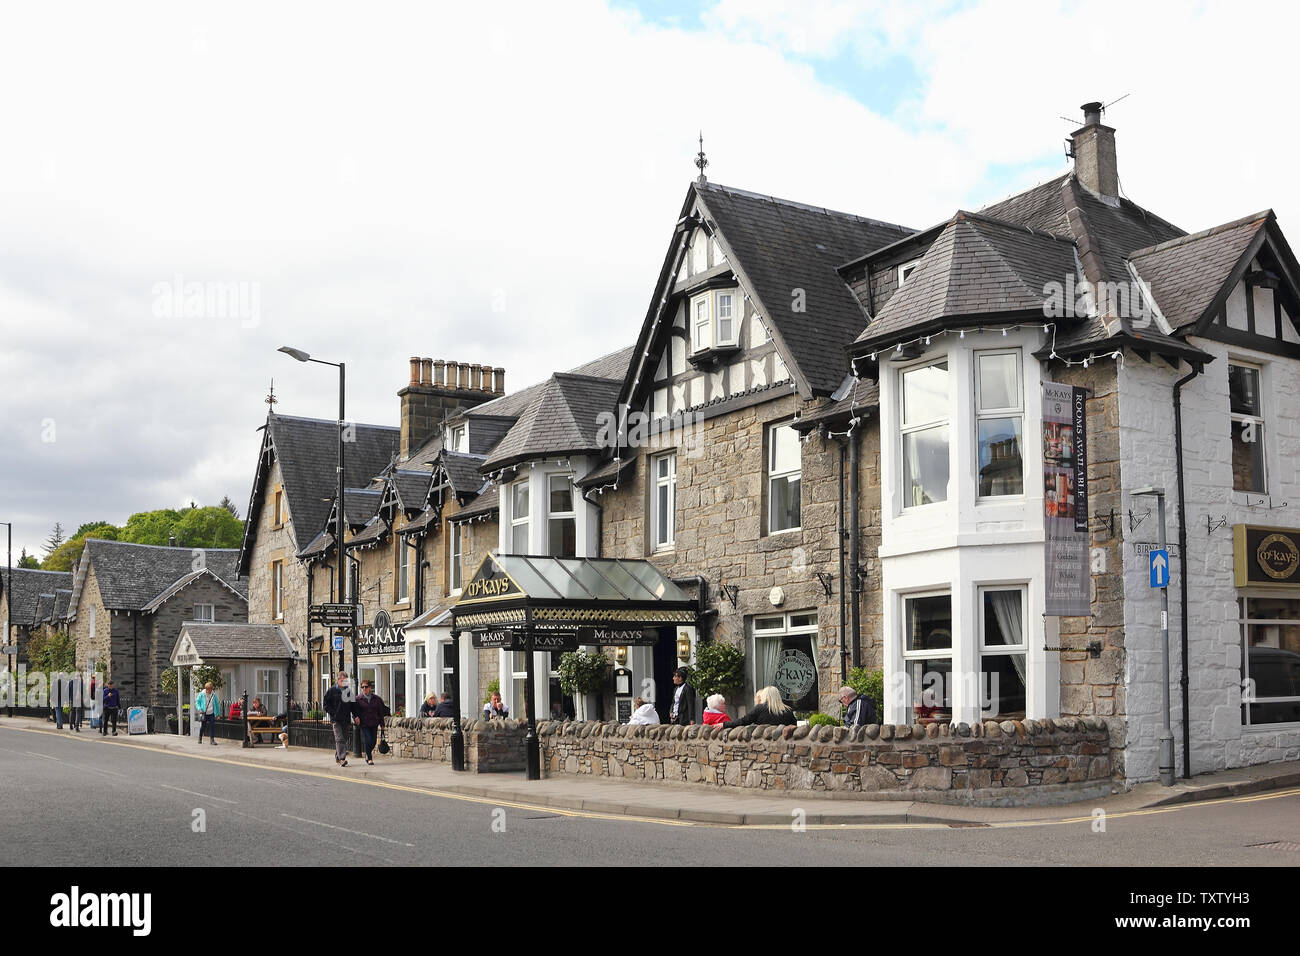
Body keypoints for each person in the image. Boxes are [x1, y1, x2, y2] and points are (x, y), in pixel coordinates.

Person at [721, 686, 796, 728]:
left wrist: (725, 724)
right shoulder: (788, 710)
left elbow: (744, 721)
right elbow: (794, 727)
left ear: (765, 695)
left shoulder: (760, 708)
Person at [352, 679, 388, 766]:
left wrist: (382, 724)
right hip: (364, 723)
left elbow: (380, 712)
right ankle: (369, 757)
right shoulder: (358, 699)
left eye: (366, 687)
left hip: (374, 723)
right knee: (368, 739)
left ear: (370, 688)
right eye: (362, 687)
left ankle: (367, 754)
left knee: (373, 741)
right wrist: (355, 718)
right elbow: (354, 711)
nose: (364, 689)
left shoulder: (377, 699)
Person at [323, 671, 354, 767]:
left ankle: (338, 756)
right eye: (342, 680)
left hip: (345, 719)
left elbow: (352, 705)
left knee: (344, 738)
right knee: (339, 738)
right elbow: (325, 705)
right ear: (338, 680)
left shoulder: (348, 691)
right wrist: (333, 713)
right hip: (336, 719)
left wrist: (355, 716)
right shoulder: (331, 691)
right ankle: (342, 759)